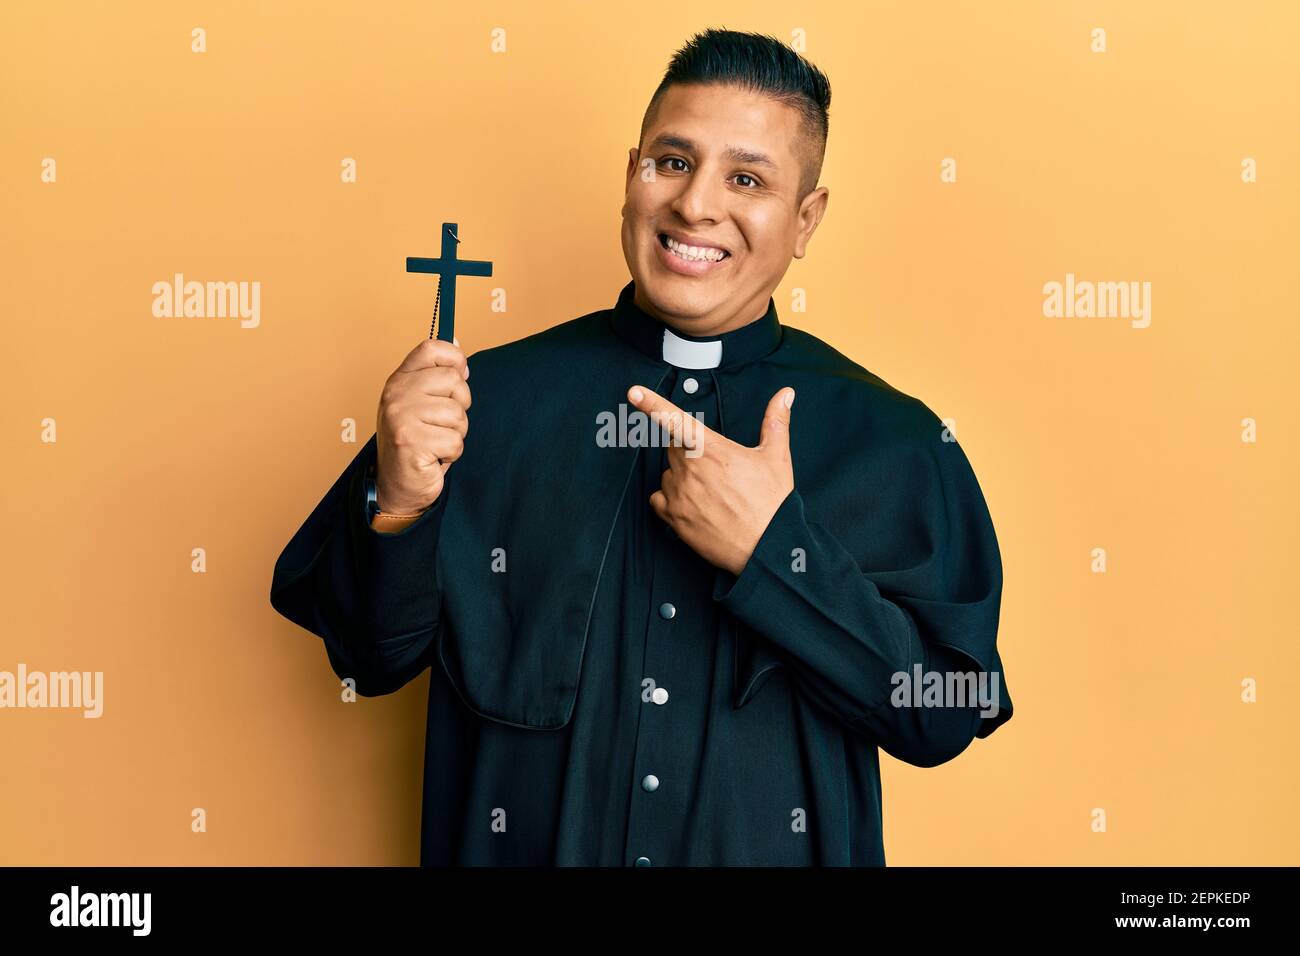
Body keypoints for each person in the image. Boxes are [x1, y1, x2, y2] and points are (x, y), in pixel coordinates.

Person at [269, 27, 1013, 866]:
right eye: (671, 161)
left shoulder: (896, 441)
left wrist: (777, 555)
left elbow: (947, 712)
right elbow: (368, 662)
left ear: (806, 219)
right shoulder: (488, 404)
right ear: (631, 176)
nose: (695, 205)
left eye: (746, 178)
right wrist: (398, 499)